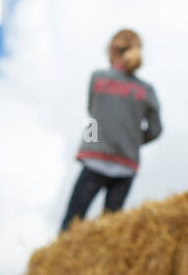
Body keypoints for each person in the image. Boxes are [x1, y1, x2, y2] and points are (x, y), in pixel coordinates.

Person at [61, 29, 161, 232]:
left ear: (113, 50)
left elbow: (93, 110)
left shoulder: (98, 78)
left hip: (94, 159)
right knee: (109, 233)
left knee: (70, 224)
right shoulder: (147, 91)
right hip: (126, 166)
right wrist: (132, 139)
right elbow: (156, 129)